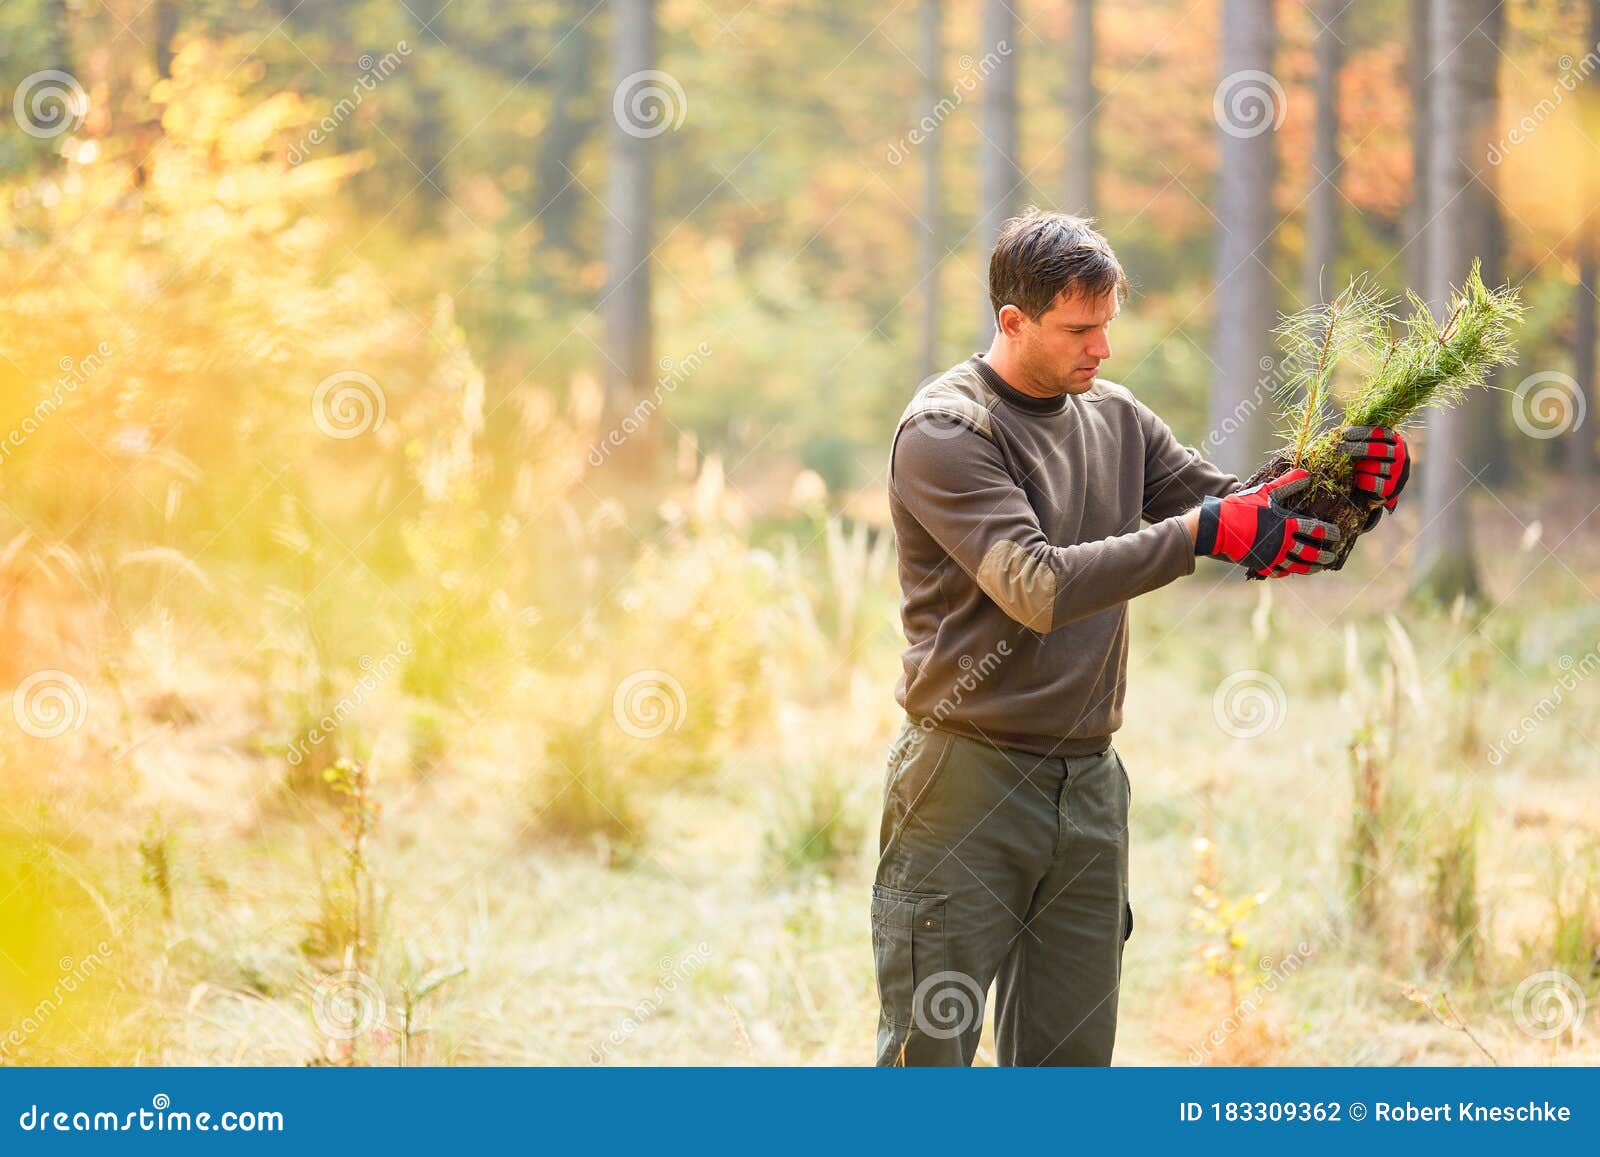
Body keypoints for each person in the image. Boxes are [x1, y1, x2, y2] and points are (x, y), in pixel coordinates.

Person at [872, 208, 1411, 1066]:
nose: (1103, 349)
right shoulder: (947, 431)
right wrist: (1203, 531)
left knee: (1070, 1071)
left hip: (1089, 787)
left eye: (1108, 325)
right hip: (963, 784)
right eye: (1079, 329)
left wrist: (1355, 488)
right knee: (927, 1062)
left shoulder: (1114, 416)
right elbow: (1036, 585)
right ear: (1012, 322)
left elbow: (1252, 522)